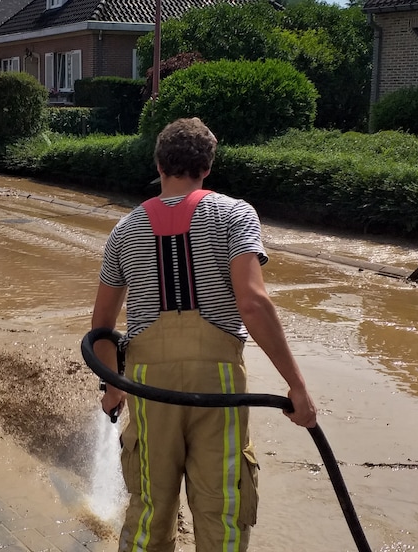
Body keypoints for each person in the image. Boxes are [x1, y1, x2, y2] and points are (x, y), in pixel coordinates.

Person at [90, 117, 317, 552]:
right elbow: (252, 303)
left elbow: (101, 325)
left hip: (146, 384)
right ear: (208, 167)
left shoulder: (124, 230)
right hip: (221, 383)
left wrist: (113, 389)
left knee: (150, 506)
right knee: (223, 505)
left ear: (158, 165)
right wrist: (297, 385)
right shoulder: (235, 214)